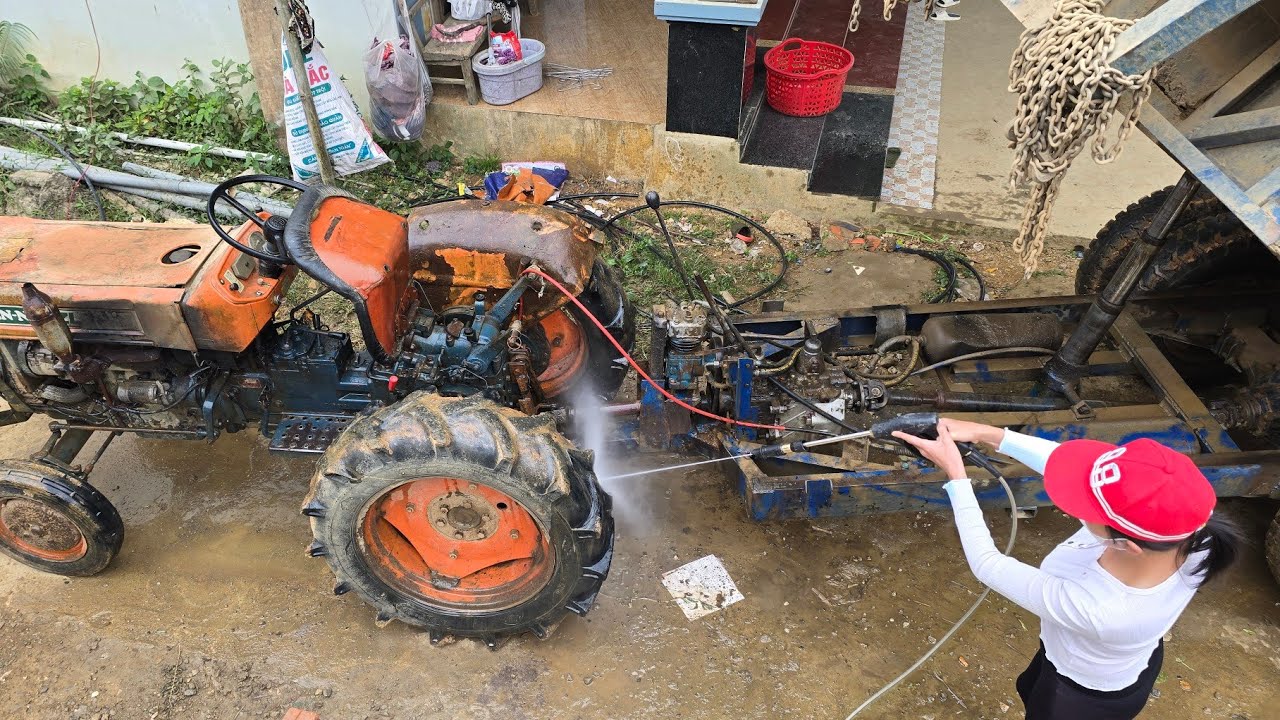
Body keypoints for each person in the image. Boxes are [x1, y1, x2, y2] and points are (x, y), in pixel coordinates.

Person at [893, 418, 1241, 720]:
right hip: (1104, 659)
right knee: (1031, 684)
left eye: (1085, 506)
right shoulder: (1188, 529)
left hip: (1080, 697)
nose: (1075, 503)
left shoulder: (1100, 609)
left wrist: (956, 476)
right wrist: (989, 434)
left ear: (1126, 544)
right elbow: (1078, 471)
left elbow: (987, 564)